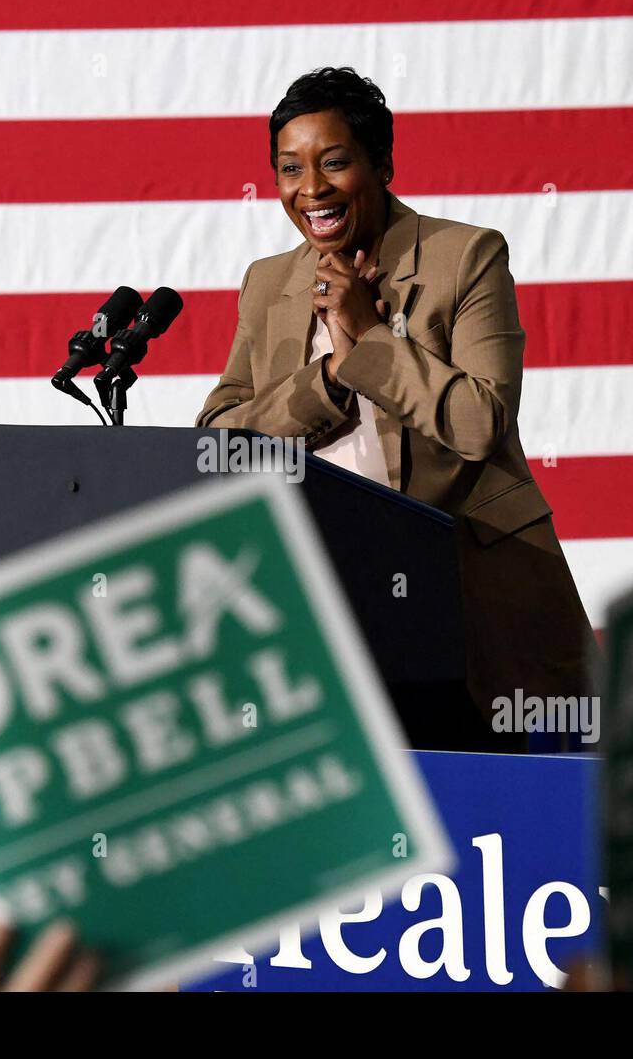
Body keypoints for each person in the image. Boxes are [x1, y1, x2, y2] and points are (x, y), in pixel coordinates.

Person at [196, 67, 594, 747]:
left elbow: (481, 420)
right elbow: (215, 440)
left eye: (334, 163)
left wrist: (371, 340)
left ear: (381, 164)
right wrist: (329, 377)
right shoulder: (269, 284)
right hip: (325, 610)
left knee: (483, 818)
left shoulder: (464, 257)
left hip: (465, 605)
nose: (311, 189)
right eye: (290, 169)